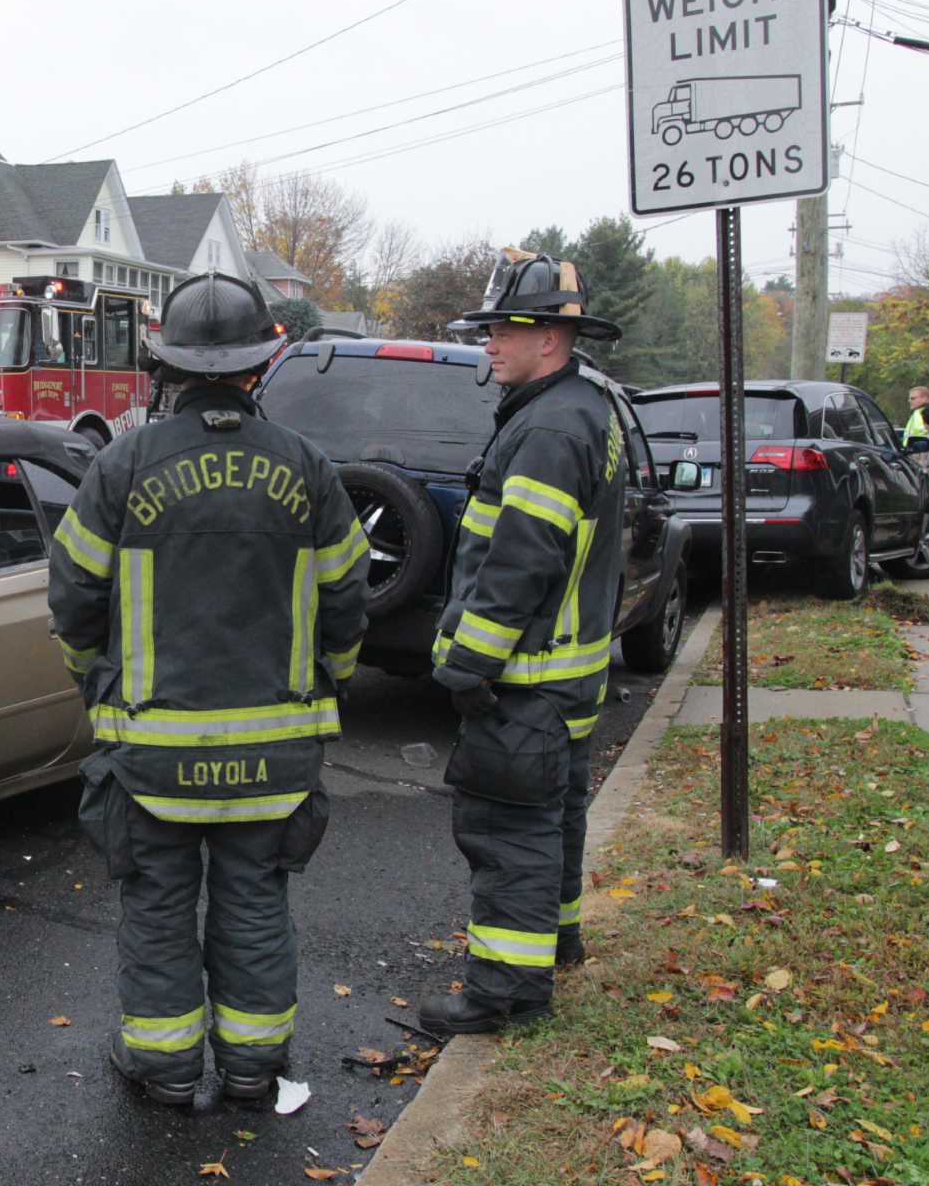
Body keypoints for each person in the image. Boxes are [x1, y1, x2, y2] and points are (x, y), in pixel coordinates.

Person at [47, 271, 369, 1106]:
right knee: (255, 904)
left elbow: (73, 597)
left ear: (165, 364)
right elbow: (348, 597)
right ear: (260, 367)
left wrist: (96, 683)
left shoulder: (122, 466)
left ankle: (165, 1069)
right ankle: (255, 1069)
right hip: (275, 755)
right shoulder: (307, 468)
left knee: (157, 908)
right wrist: (328, 680)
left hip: (153, 756)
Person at [417, 248, 629, 1037]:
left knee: (508, 830)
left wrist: (467, 664)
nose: (490, 344)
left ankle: (505, 989)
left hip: (527, 680)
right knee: (558, 814)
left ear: (551, 338)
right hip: (569, 675)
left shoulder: (546, 427)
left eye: (504, 330)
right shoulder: (583, 409)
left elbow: (518, 563)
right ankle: (556, 940)